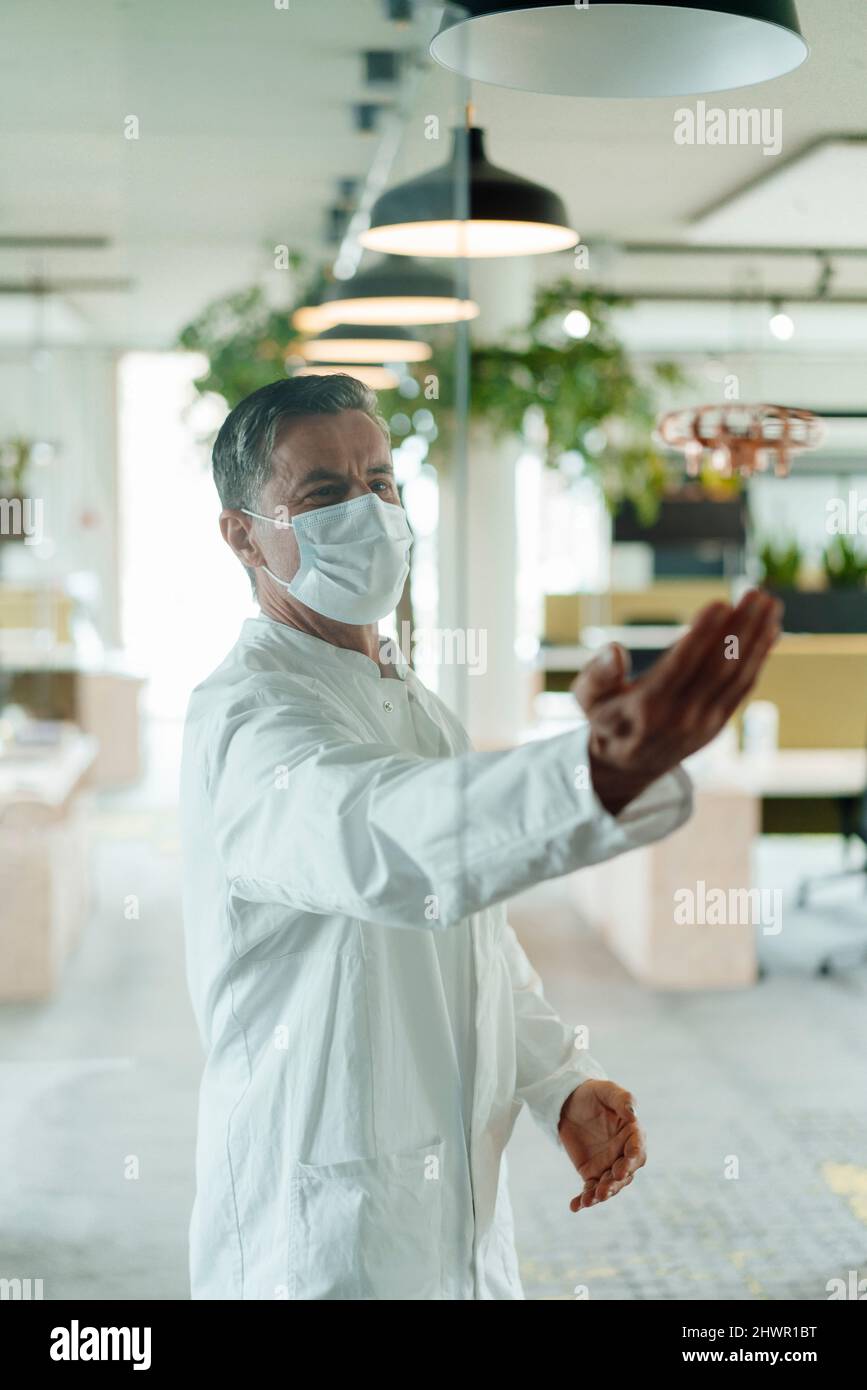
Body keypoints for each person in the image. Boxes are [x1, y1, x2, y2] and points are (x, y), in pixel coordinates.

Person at [180, 373, 780, 1300]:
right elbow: (382, 838)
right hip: (321, 1240)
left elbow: (473, 938)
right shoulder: (248, 718)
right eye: (324, 494)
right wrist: (592, 775)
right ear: (242, 535)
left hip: (452, 1219)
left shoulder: (408, 701)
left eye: (380, 483)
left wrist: (559, 1084)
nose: (368, 513)